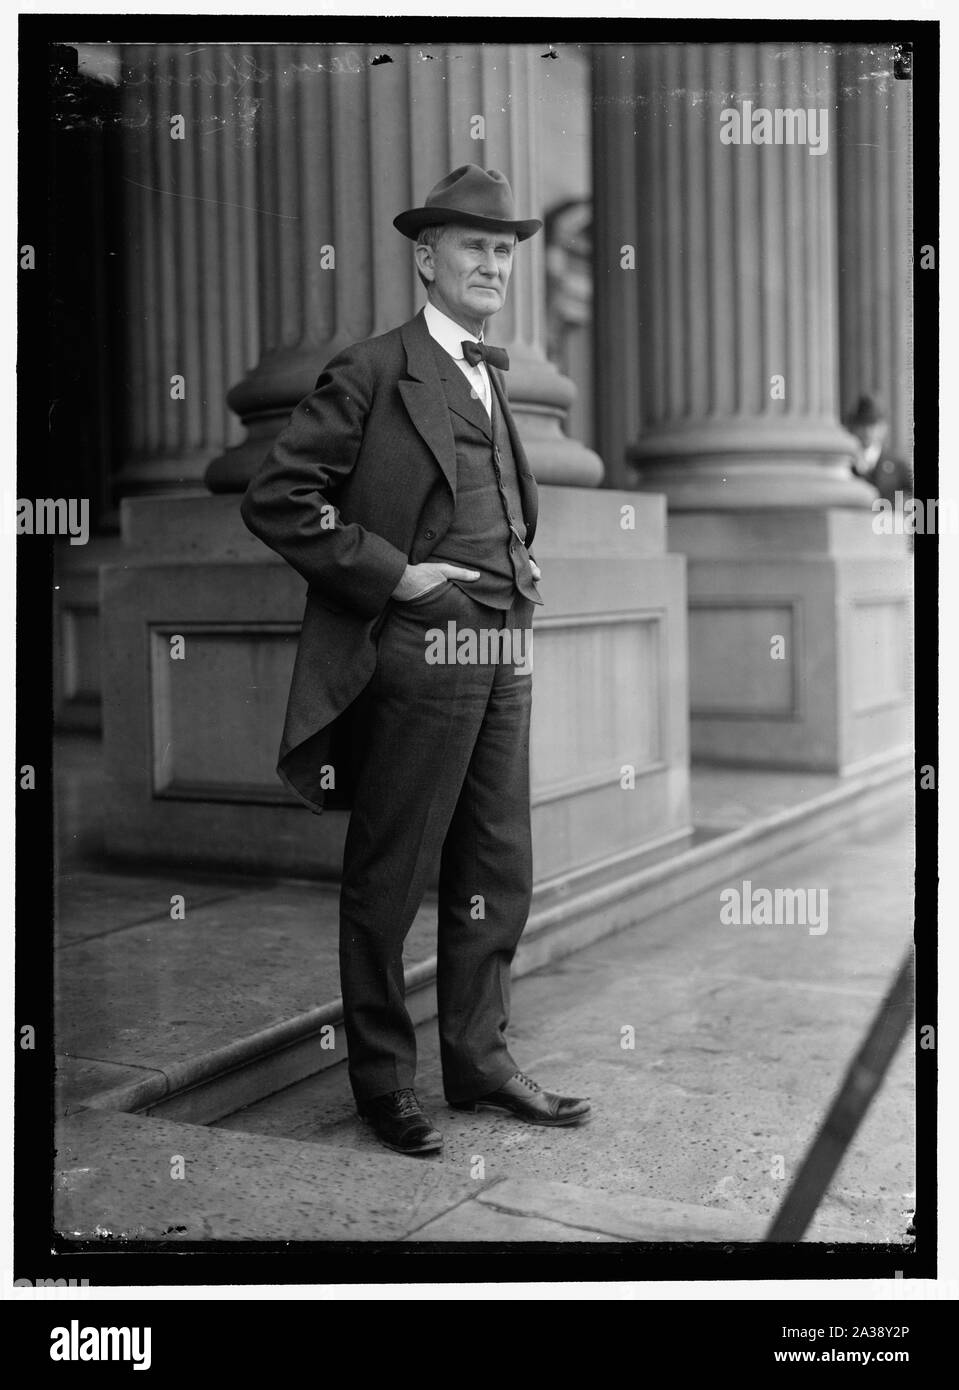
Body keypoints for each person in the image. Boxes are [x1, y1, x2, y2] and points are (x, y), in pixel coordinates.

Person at [240, 165, 590, 1156]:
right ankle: (383, 1085)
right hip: (421, 643)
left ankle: (477, 1061)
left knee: (497, 862)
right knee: (389, 872)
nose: (492, 263)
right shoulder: (369, 369)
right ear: (424, 256)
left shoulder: (490, 369)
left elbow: (493, 495)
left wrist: (518, 569)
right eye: (473, 245)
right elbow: (276, 498)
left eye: (504, 248)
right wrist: (393, 577)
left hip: (500, 643)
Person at [845, 394, 913, 505]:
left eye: (873, 425)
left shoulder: (898, 465)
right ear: (853, 428)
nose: (867, 431)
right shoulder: (845, 464)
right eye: (862, 425)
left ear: (883, 428)